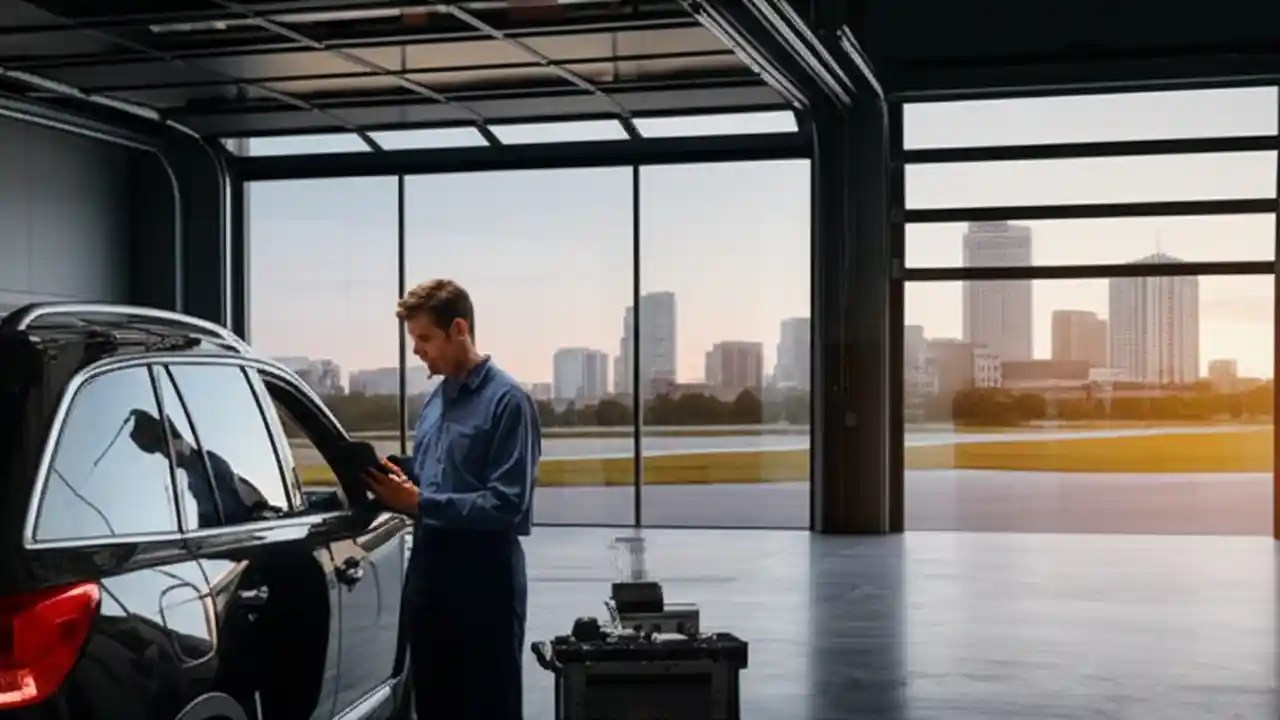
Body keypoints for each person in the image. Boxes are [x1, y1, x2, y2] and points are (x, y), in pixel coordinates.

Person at [363, 278, 540, 720]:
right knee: (434, 705)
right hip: (429, 573)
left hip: (485, 581)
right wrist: (394, 474)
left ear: (459, 329)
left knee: (488, 706)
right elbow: (438, 475)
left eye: (425, 338)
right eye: (413, 340)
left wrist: (420, 503)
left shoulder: (508, 402)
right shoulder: (435, 401)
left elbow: (507, 504)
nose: (417, 351)